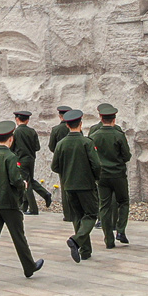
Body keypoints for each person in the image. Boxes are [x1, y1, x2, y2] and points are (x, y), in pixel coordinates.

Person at [0, 121, 44, 286]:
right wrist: (24, 186)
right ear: (11, 138)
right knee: (18, 236)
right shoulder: (10, 156)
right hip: (8, 203)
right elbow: (15, 180)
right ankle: (29, 266)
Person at [52, 110, 102, 263]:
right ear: (80, 124)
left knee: (77, 216)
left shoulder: (61, 144)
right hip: (86, 184)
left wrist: (67, 173)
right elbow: (96, 164)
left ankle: (85, 250)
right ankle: (76, 240)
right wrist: (95, 178)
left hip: (69, 185)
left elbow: (55, 166)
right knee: (92, 214)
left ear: (67, 125)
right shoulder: (87, 143)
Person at [89, 104, 132, 248]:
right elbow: (126, 156)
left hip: (102, 176)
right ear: (114, 119)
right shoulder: (118, 135)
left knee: (104, 206)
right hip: (118, 174)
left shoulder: (93, 136)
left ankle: (108, 239)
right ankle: (120, 230)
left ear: (101, 117)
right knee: (123, 202)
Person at [11, 110, 51, 214]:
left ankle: (33, 209)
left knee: (26, 183)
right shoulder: (32, 131)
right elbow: (37, 147)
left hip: (21, 160)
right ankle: (43, 195)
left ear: (17, 119)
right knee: (30, 180)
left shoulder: (17, 132)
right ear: (28, 120)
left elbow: (12, 147)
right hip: (31, 159)